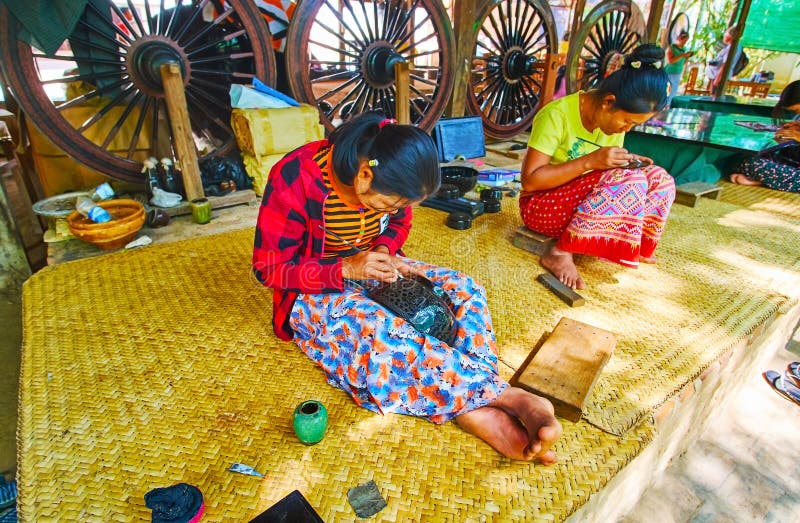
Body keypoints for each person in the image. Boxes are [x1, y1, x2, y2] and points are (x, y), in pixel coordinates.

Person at [252, 111, 562, 462]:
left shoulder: (389, 170)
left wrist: (384, 248)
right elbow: (269, 269)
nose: (396, 210)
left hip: (374, 263)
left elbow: (399, 221)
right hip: (314, 286)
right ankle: (502, 397)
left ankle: (471, 402)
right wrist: (347, 267)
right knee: (384, 330)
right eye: (391, 203)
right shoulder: (296, 177)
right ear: (365, 175)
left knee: (463, 288)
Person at [518, 44, 676, 290]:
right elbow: (530, 181)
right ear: (608, 102)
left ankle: (634, 242)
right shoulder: (557, 114)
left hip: (583, 204)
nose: (626, 129)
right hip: (542, 207)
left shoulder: (612, 122)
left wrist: (626, 161)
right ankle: (559, 252)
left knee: (658, 178)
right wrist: (591, 161)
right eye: (627, 121)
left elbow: (605, 173)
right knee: (628, 180)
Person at [729, 80, 800, 192]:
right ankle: (767, 180)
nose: (797, 114)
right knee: (742, 159)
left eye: (797, 110)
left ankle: (759, 181)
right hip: (793, 163)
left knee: (753, 165)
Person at [665, 31, 694, 104]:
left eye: (686, 41)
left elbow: (682, 62)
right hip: (669, 72)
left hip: (677, 72)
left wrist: (687, 57)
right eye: (684, 40)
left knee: (673, 92)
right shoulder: (671, 48)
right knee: (665, 90)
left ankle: (669, 106)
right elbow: (670, 61)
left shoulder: (684, 49)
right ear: (679, 39)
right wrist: (682, 55)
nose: (685, 42)